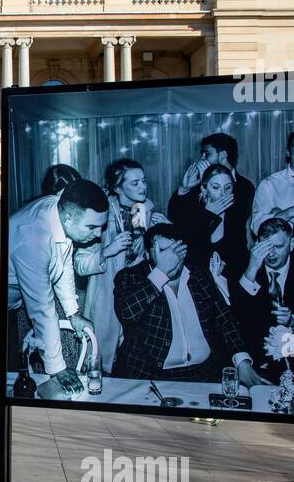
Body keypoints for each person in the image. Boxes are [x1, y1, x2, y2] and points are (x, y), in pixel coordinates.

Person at [112, 223, 266, 387]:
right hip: (152, 376)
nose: (172, 259)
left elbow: (225, 320)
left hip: (204, 373)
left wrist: (242, 361)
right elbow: (127, 313)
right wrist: (161, 272)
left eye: (177, 251)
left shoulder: (199, 275)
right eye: (163, 251)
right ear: (147, 253)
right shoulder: (130, 277)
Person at [7, 179, 108, 394]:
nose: (99, 234)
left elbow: (63, 265)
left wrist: (73, 313)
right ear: (68, 218)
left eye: (101, 226)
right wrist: (57, 368)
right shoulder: (33, 240)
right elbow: (42, 309)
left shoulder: (60, 209)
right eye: (92, 227)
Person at [83, 158, 169, 372]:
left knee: (134, 359)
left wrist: (164, 233)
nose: (143, 187)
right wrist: (107, 250)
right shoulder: (99, 213)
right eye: (135, 183)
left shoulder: (146, 211)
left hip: (136, 295)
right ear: (118, 188)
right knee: (101, 359)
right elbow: (81, 263)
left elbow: (153, 260)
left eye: (144, 181)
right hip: (106, 295)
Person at [231, 217, 294, 375]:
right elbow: (234, 316)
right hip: (255, 360)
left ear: (291, 244)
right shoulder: (242, 266)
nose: (271, 254)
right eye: (266, 247)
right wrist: (251, 270)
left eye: (278, 247)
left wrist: (293, 321)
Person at [169, 163, 249, 298]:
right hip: (196, 286)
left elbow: (240, 252)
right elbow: (190, 252)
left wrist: (226, 263)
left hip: (228, 285)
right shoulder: (193, 213)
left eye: (228, 187)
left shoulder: (236, 215)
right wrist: (208, 216)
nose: (223, 194)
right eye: (216, 187)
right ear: (204, 189)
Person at [169, 132, 255, 240]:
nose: (202, 158)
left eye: (207, 154)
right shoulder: (198, 184)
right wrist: (184, 189)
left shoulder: (245, 186)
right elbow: (176, 218)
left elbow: (234, 220)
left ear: (223, 155)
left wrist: (209, 181)